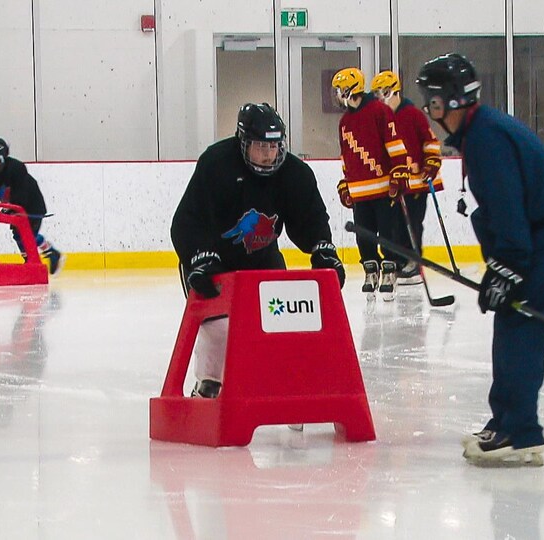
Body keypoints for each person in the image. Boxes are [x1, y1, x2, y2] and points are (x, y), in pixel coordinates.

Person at [415, 53, 544, 467]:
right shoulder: (482, 132)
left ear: (455, 102)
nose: (430, 112)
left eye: (435, 103)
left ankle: (519, 432)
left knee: (520, 333)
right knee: (513, 327)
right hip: (543, 242)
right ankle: (507, 422)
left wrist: (506, 269)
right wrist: (501, 268)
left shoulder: (486, 139)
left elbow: (510, 212)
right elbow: (500, 214)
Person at [170, 102, 345, 399]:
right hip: (214, 261)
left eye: (274, 146)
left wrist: (323, 249)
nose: (268, 154)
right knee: (220, 326)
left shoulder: (295, 173)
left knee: (285, 319)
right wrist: (198, 257)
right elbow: (187, 220)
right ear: (243, 142)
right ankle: (209, 383)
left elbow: (311, 217)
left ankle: (287, 383)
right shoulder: (216, 163)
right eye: (260, 146)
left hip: (262, 259)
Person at [331, 67, 411, 300]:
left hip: (383, 188)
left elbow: (394, 144)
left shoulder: (379, 111)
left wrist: (399, 172)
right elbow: (346, 155)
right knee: (364, 236)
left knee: (386, 232)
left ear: (351, 88)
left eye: (340, 89)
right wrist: (345, 183)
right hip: (359, 192)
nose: (338, 94)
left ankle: (389, 270)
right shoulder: (344, 121)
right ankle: (371, 270)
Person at [371, 70, 444, 285]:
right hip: (396, 182)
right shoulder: (381, 117)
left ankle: (414, 262)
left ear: (394, 90)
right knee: (395, 224)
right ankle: (402, 261)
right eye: (377, 94)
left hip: (417, 182)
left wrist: (431, 162)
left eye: (383, 92)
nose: (380, 97)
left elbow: (430, 141)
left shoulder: (412, 114)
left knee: (412, 222)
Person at [0, 137, 64, 275]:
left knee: (28, 235)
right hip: (16, 209)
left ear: (1, 156)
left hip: (32, 208)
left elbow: (21, 191)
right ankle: (31, 260)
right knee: (18, 236)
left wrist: (13, 208)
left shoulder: (16, 167)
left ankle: (49, 254)